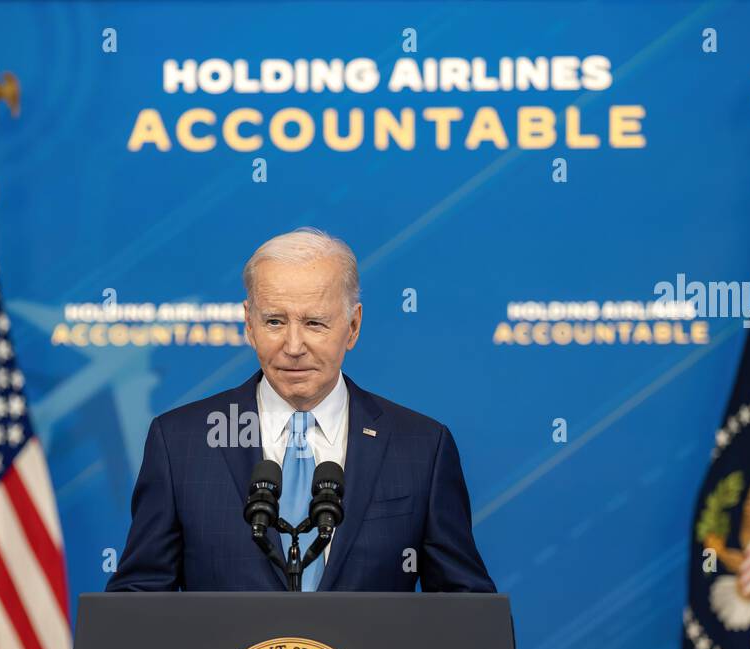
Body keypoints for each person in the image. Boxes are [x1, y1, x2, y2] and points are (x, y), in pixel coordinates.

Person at [107, 227, 496, 593]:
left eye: (314, 323)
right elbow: (137, 606)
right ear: (248, 324)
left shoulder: (421, 448)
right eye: (274, 321)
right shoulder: (181, 443)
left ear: (354, 326)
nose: (293, 346)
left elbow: (467, 615)